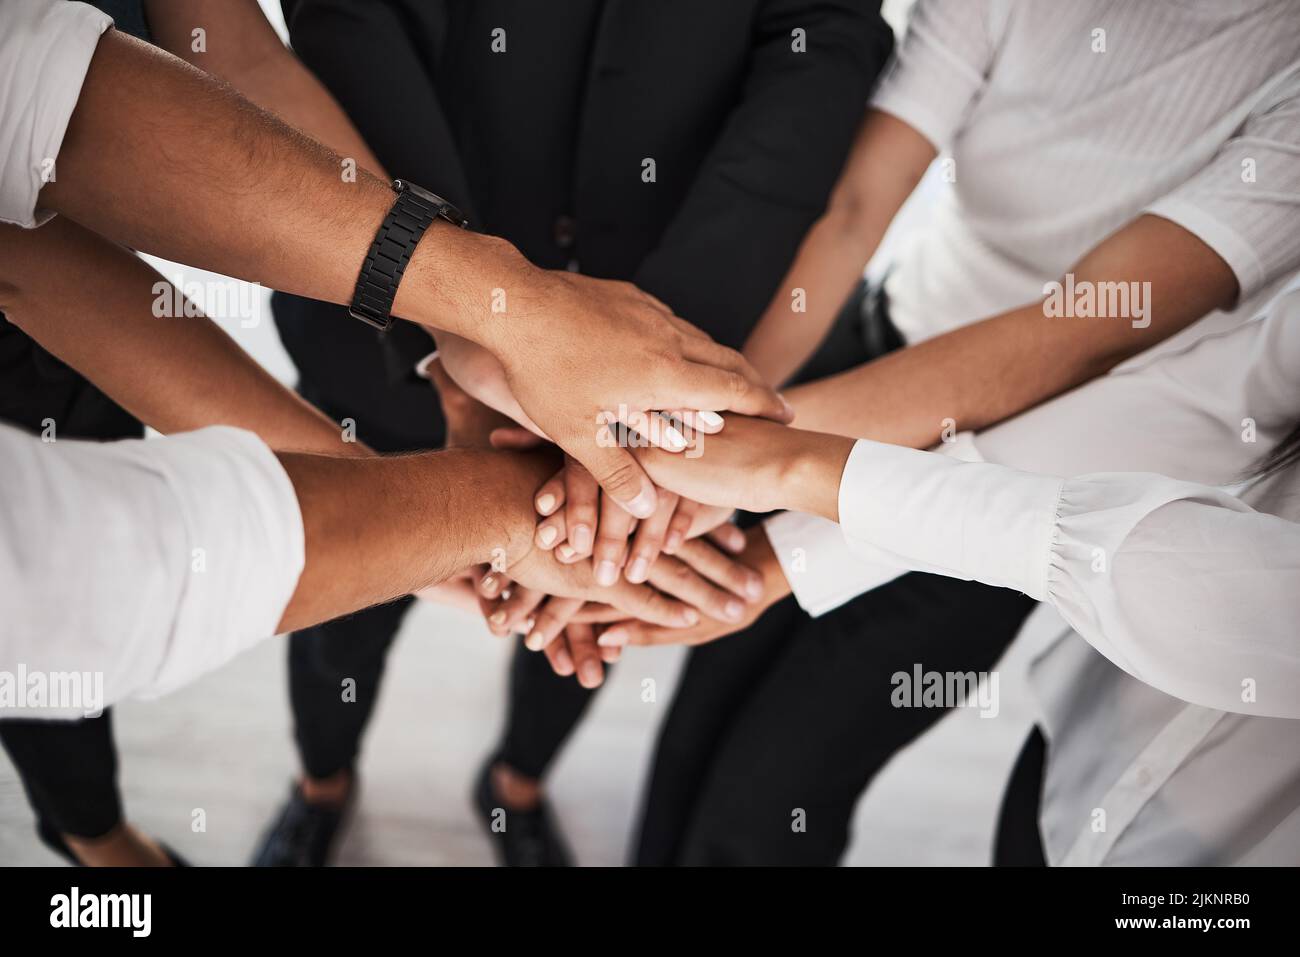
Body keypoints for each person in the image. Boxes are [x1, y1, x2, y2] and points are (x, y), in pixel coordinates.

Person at [0, 0, 785, 865]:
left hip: (574, 334)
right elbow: (67, 571)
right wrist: (470, 503)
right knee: (367, 637)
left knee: (587, 612)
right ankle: (306, 788)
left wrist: (476, 334)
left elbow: (39, 193)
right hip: (368, 360)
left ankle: (514, 786)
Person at [553, 0, 1299, 864]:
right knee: (698, 715)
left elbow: (1073, 336)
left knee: (779, 787)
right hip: (876, 345)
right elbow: (854, 208)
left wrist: (687, 451)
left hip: (1036, 457)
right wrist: (695, 418)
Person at [253, 0, 893, 867]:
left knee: (597, 592)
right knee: (345, 596)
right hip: (379, 314)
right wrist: (466, 330)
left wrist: (652, 381)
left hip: (678, 292)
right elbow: (347, 24)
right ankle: (322, 781)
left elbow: (824, 39)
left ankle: (516, 785)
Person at [608, 275, 1300, 864]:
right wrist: (778, 548)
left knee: (778, 787)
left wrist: (796, 469)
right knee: (699, 744)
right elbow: (1188, 407)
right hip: (1078, 760)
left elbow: (1252, 603)